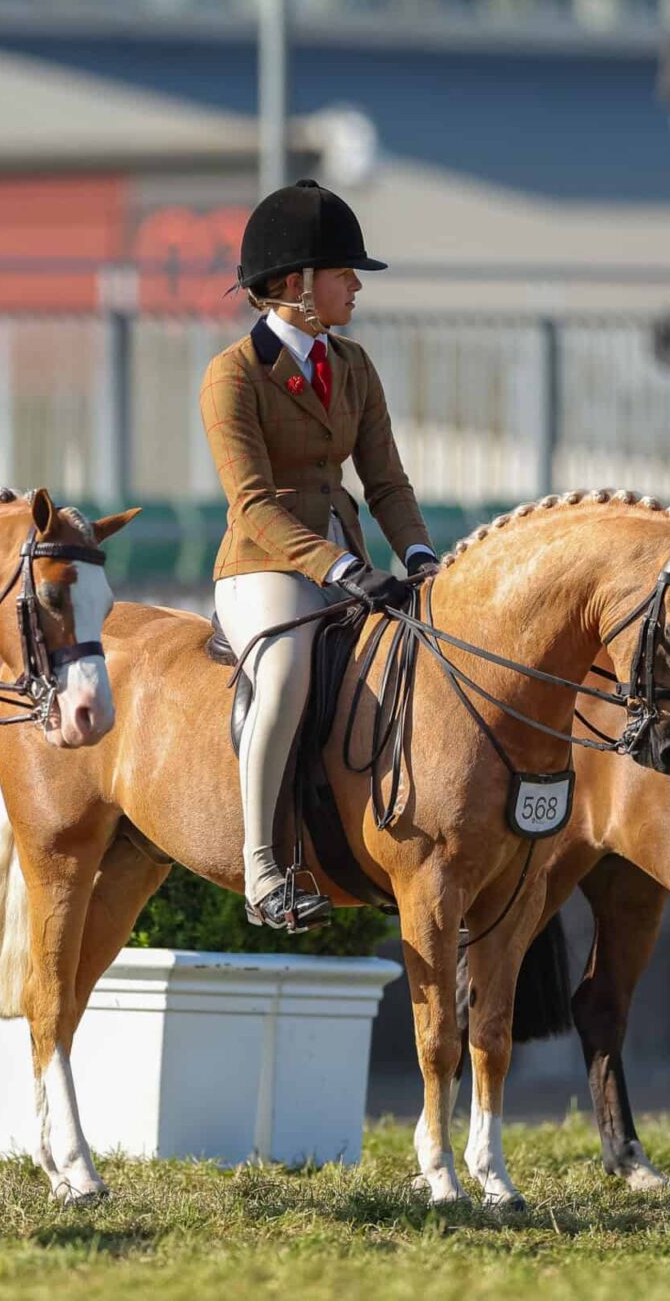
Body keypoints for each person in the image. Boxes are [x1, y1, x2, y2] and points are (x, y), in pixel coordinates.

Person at [200, 179, 439, 931]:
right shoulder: (232, 376)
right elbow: (252, 503)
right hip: (263, 565)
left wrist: (423, 556)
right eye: (344, 273)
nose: (356, 287)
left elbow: (387, 481)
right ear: (296, 285)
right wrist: (334, 568)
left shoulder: (355, 367)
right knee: (287, 669)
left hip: (346, 554)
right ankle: (263, 867)